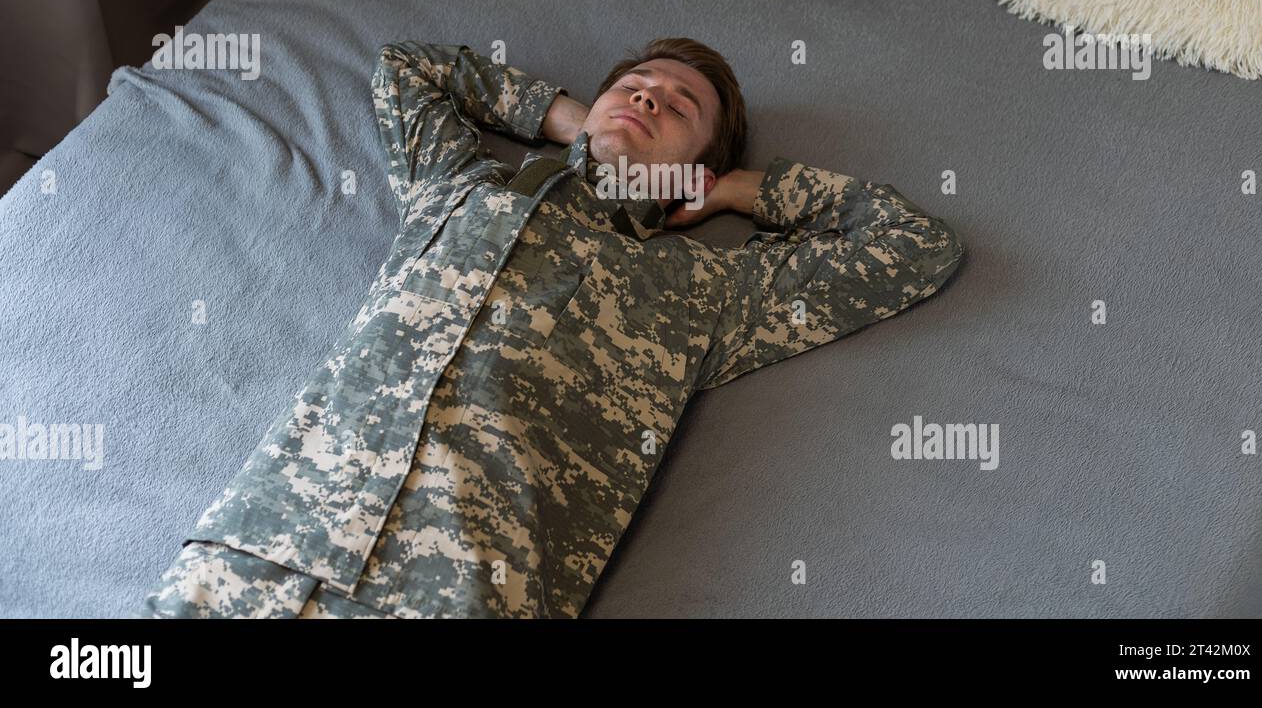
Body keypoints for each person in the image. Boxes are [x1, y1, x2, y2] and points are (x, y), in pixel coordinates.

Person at [138, 36, 965, 618]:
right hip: (263, 549)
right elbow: (410, 68)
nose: (650, 97)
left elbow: (914, 248)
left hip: (449, 593)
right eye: (636, 84)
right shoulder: (459, 185)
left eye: (680, 107)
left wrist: (741, 191)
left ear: (698, 165)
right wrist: (566, 119)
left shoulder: (705, 290)